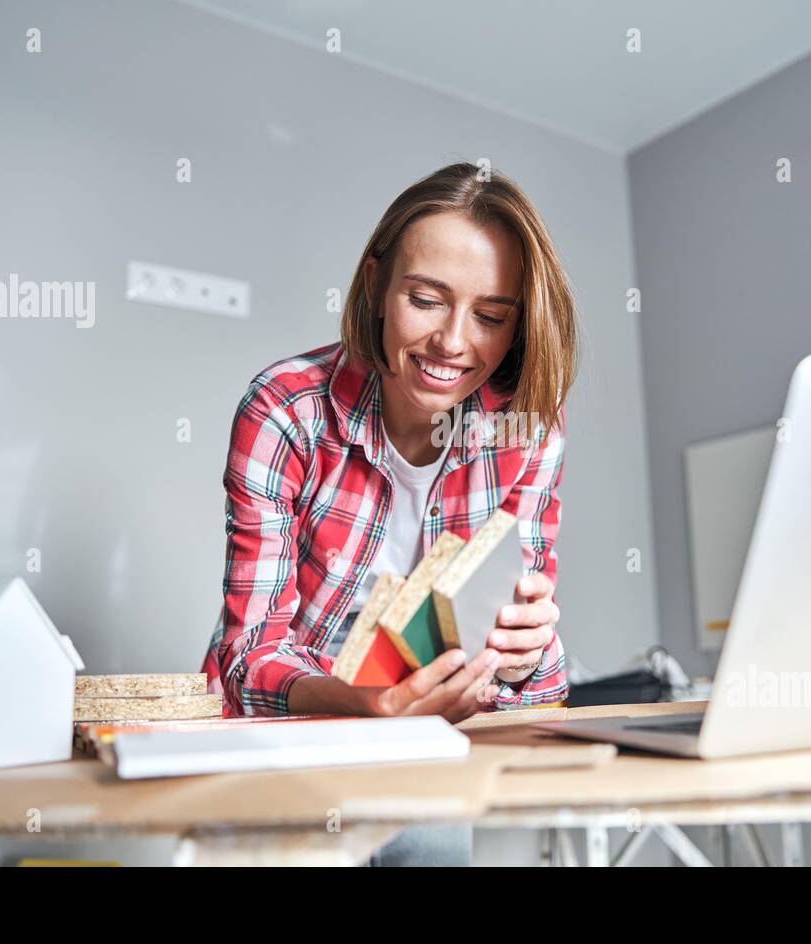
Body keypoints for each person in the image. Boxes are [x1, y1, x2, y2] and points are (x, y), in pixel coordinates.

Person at [200, 161, 579, 864]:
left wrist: (528, 659)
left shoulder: (529, 434)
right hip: (282, 750)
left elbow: (534, 692)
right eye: (427, 299)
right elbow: (245, 660)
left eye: (492, 317)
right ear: (375, 285)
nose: (454, 342)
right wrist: (359, 704)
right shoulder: (286, 412)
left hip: (423, 754)